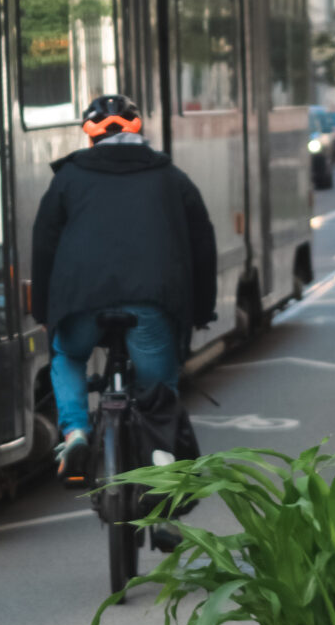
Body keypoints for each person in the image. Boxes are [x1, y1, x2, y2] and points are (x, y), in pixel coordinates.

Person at [30, 92, 217, 482]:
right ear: (138, 130)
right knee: (157, 389)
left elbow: (44, 245)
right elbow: (203, 246)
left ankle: (76, 433)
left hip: (81, 302)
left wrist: (44, 312)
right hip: (150, 302)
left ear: (90, 135)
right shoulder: (171, 177)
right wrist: (201, 310)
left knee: (68, 355)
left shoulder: (67, 178)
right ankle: (162, 456)